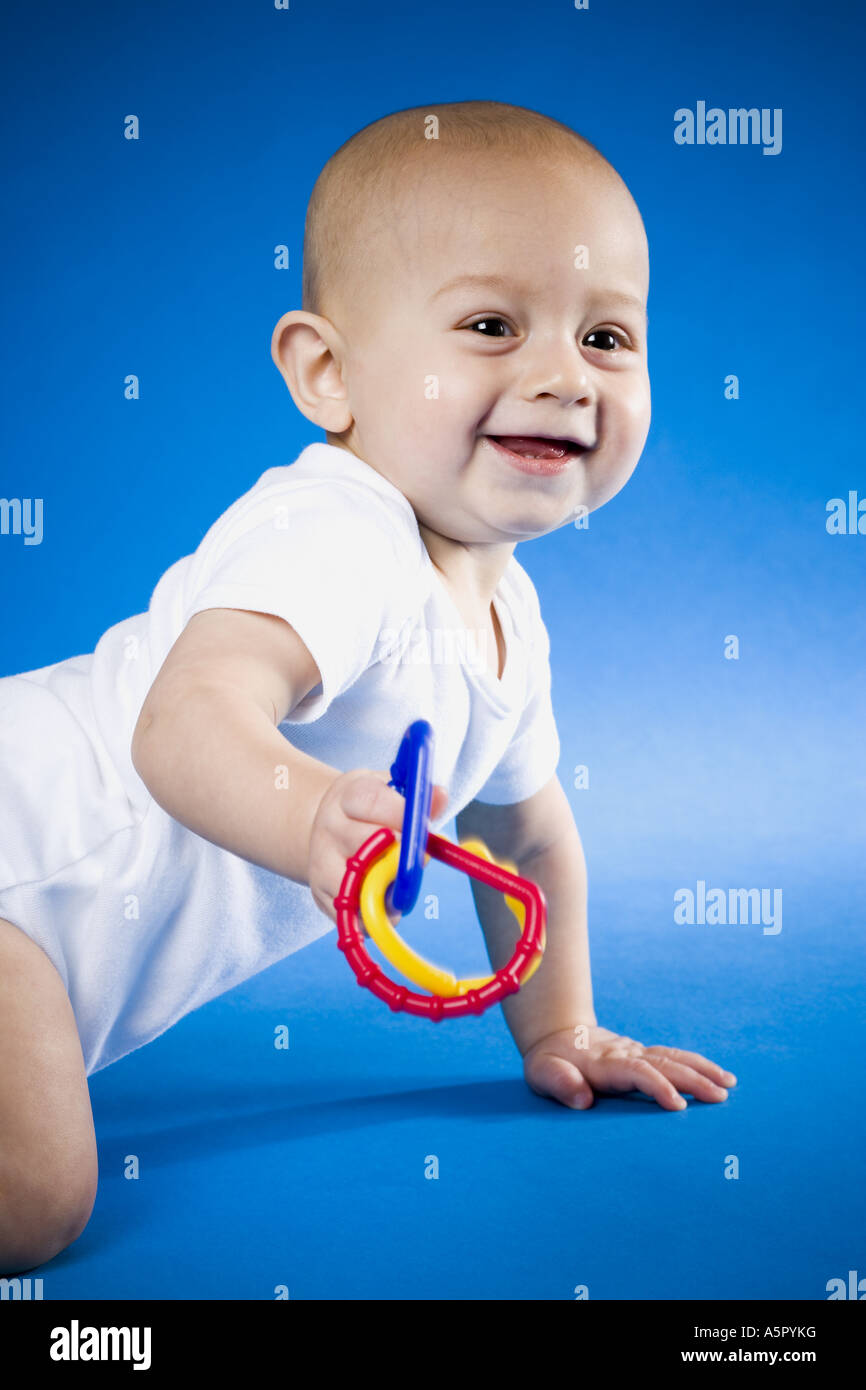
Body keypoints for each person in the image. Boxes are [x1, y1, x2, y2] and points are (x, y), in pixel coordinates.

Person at [0, 100, 735, 1274]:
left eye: (606, 338)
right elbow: (182, 720)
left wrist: (561, 1025)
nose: (562, 374)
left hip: (37, 947)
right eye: (492, 325)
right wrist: (306, 817)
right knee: (32, 1206)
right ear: (327, 372)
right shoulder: (335, 532)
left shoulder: (509, 619)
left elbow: (528, 838)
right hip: (17, 870)